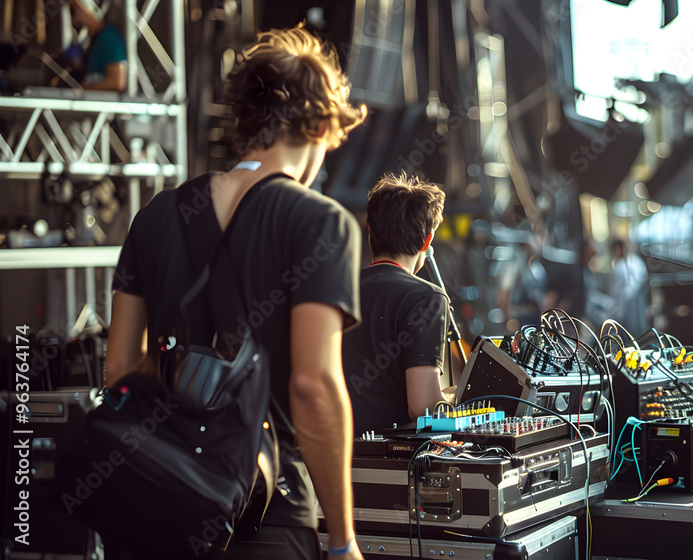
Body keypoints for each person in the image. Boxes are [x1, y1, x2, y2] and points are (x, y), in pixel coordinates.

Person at [105, 26, 367, 559]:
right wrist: (343, 540)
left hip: (156, 508)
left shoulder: (155, 215)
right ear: (318, 123)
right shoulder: (322, 223)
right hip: (265, 515)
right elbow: (314, 385)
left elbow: (119, 371)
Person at [343, 173, 449, 435]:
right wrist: (452, 402)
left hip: (333, 452)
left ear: (371, 232)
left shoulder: (339, 289)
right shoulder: (427, 297)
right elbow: (423, 407)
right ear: (427, 240)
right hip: (390, 462)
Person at [69, 0, 127, 92]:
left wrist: (82, 90)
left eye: (74, 10)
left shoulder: (109, 36)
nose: (72, 17)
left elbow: (117, 82)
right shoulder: (92, 40)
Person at [609, 238, 649, 335]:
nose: (618, 251)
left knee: (636, 328)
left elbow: (640, 278)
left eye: (619, 249)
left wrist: (630, 292)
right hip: (621, 304)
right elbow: (616, 286)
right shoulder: (618, 264)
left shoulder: (635, 262)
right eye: (616, 249)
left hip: (635, 303)